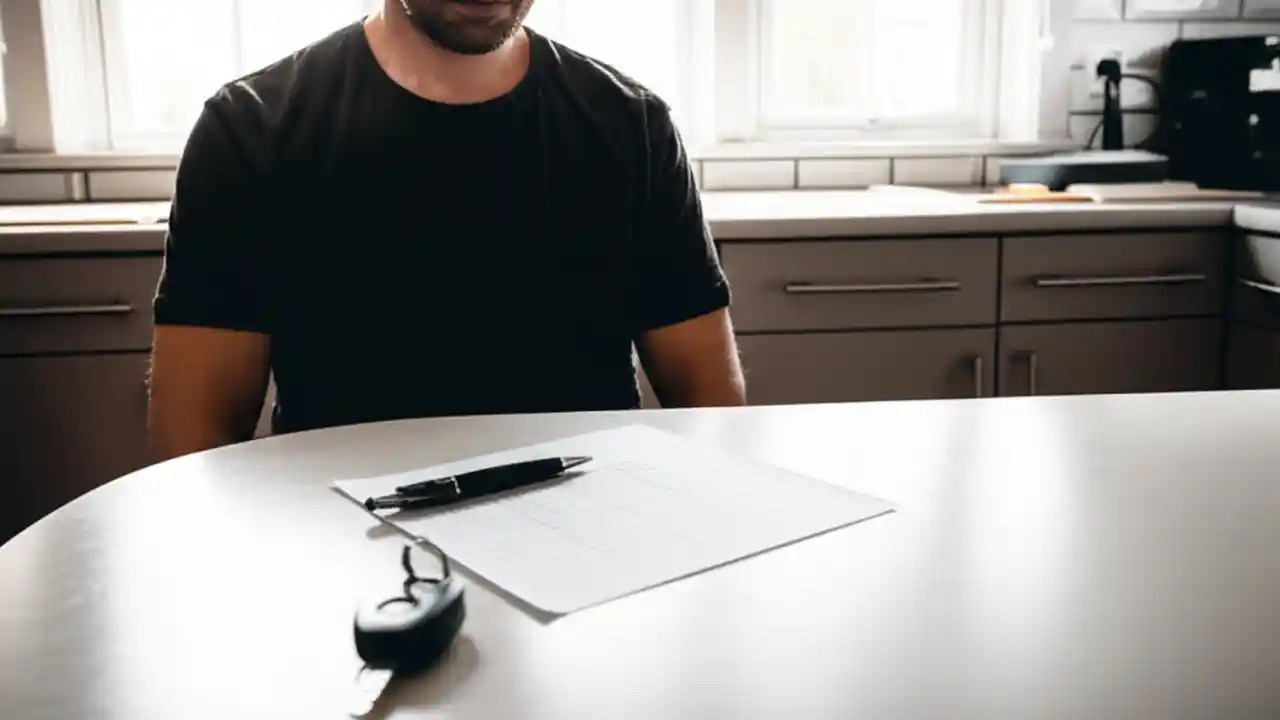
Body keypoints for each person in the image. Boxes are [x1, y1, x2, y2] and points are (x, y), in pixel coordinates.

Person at [148, 0, 745, 461]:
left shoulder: (631, 125)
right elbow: (196, 437)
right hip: (346, 554)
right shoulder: (250, 131)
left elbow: (709, 405)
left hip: (587, 542)